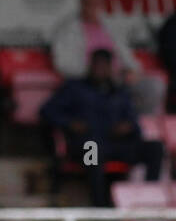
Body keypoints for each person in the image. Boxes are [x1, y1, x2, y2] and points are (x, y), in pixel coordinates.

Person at [40, 49, 165, 207]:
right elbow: (47, 111)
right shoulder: (74, 88)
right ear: (90, 66)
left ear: (110, 68)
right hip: (84, 148)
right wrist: (70, 123)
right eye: (96, 64)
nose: (99, 69)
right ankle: (98, 207)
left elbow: (134, 123)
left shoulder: (119, 92)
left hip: (114, 145)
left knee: (155, 148)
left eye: (104, 65)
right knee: (93, 151)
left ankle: (147, 200)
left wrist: (127, 128)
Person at [51, 0, 164, 114]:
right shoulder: (67, 29)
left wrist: (133, 71)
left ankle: (136, 128)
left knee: (153, 86)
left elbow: (128, 57)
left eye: (98, 2)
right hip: (87, 82)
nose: (93, 6)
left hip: (117, 80)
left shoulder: (110, 26)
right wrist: (94, 73)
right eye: (89, 2)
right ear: (81, 2)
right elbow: (63, 64)